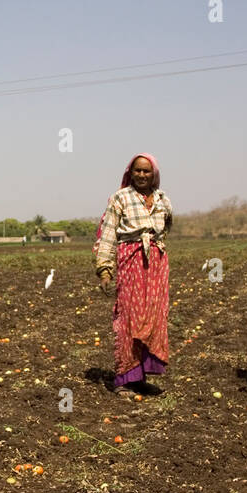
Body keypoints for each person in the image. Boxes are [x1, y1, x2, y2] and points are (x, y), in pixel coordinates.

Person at [94, 153, 173, 396]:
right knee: (129, 317)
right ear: (130, 172)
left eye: (146, 171)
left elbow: (166, 228)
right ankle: (125, 377)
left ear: (154, 175)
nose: (141, 175)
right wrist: (105, 270)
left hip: (157, 264)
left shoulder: (163, 200)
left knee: (154, 316)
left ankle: (140, 377)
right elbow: (107, 235)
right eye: (137, 171)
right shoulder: (120, 198)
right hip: (131, 260)